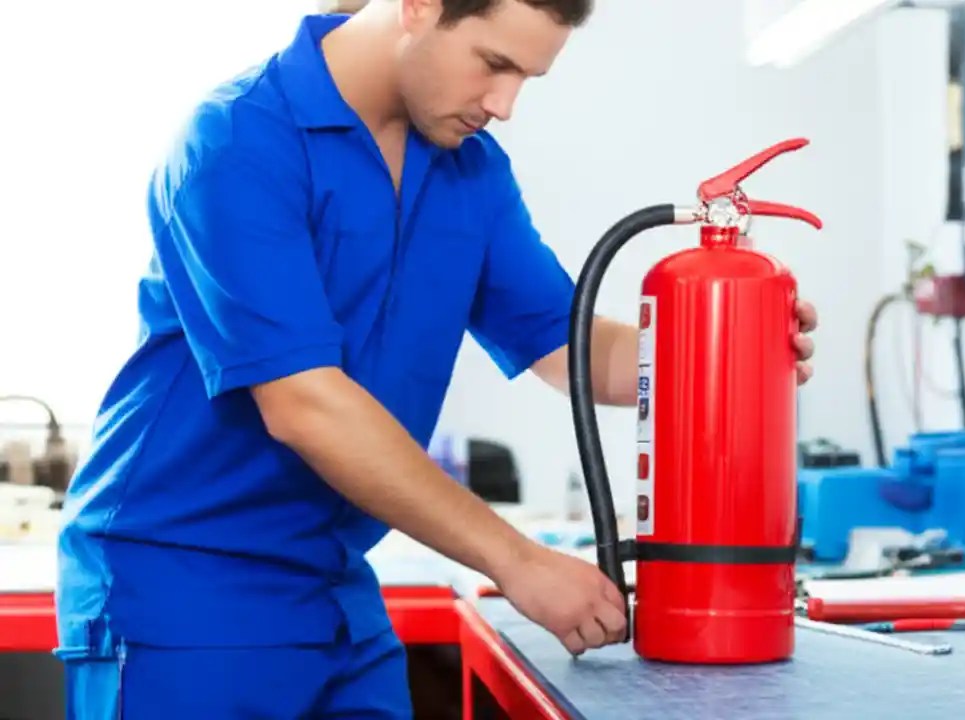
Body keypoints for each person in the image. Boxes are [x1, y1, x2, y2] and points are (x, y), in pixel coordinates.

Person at [54, 0, 820, 717]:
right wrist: (517, 561)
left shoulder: (468, 169)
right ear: (418, 5)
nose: (504, 103)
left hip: (334, 586)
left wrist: (728, 346)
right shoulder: (237, 140)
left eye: (526, 77)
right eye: (494, 62)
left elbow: (569, 345)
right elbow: (304, 405)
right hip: (183, 584)